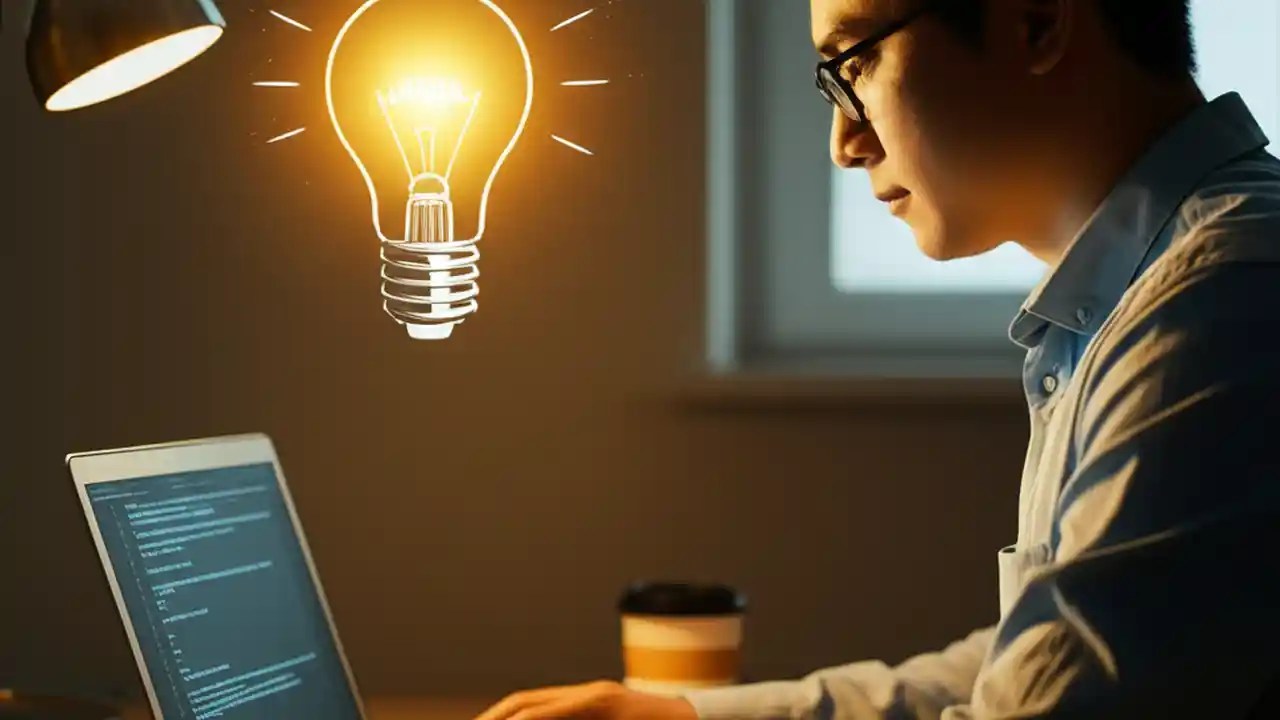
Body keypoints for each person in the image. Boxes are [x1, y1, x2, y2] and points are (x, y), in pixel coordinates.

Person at [474, 0, 1280, 717]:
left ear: (1037, 21)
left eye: (857, 60)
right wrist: (679, 717)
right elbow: (1024, 661)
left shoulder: (1221, 299)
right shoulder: (1136, 297)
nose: (843, 142)